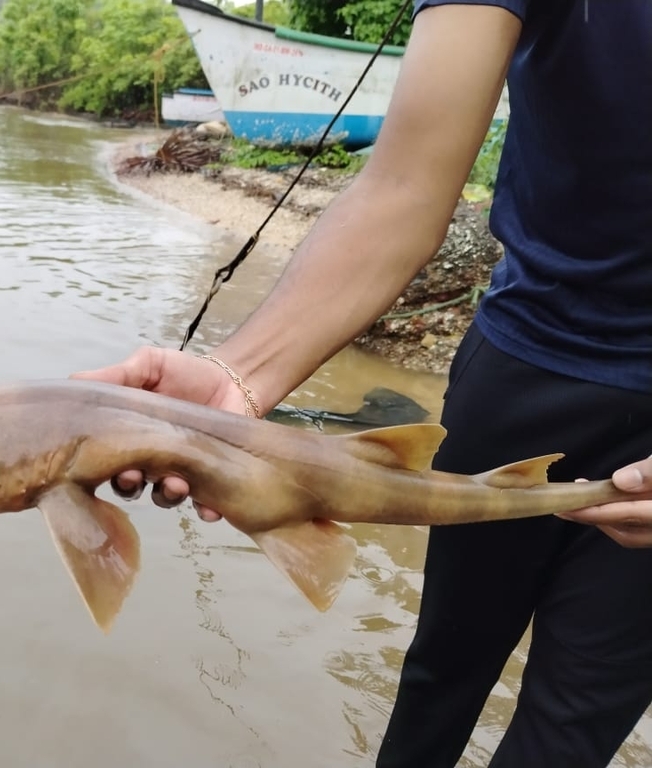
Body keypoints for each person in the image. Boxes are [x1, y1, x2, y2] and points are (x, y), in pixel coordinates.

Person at [71, 1, 652, 765]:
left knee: (573, 724)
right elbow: (406, 184)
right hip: (524, 364)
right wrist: (236, 376)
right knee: (445, 662)